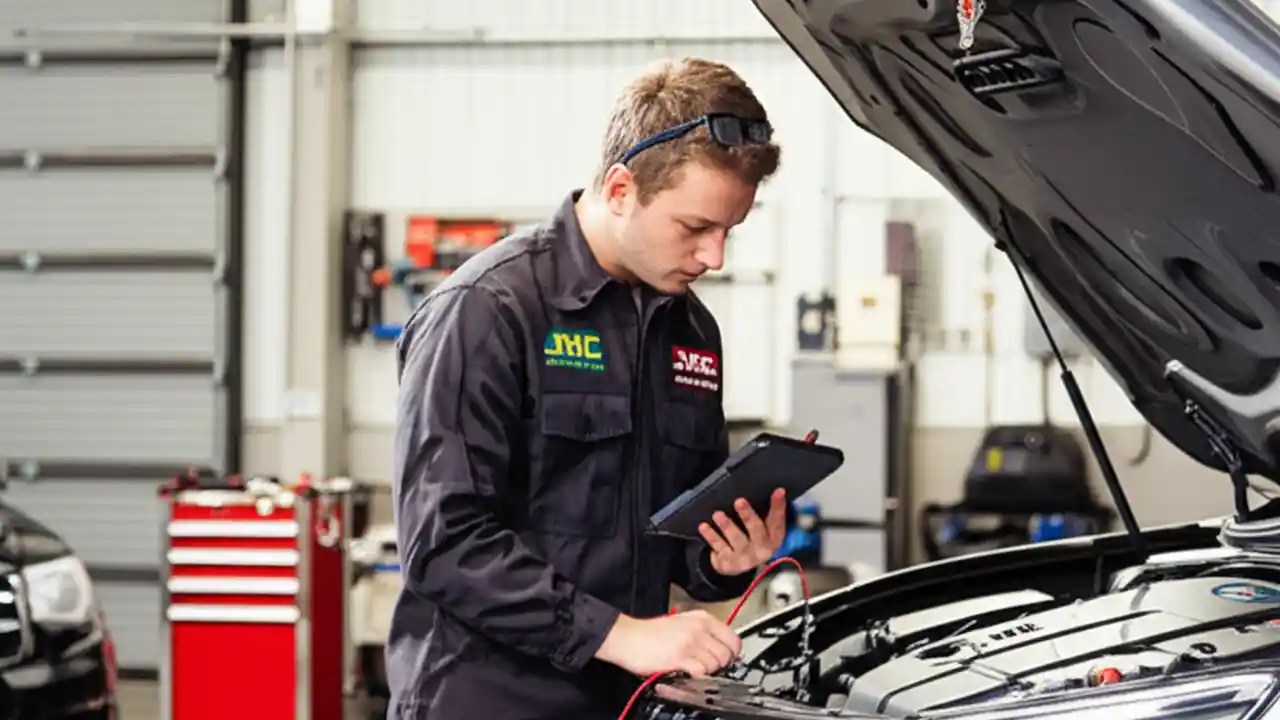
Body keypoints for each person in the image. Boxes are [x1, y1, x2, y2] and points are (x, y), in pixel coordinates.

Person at [387, 57, 786, 720]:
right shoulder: (489, 309)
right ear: (623, 188)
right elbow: (443, 542)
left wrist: (726, 561)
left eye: (729, 232)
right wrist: (620, 635)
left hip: (626, 699)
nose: (715, 258)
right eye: (695, 228)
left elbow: (677, 535)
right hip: (484, 701)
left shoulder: (690, 331)